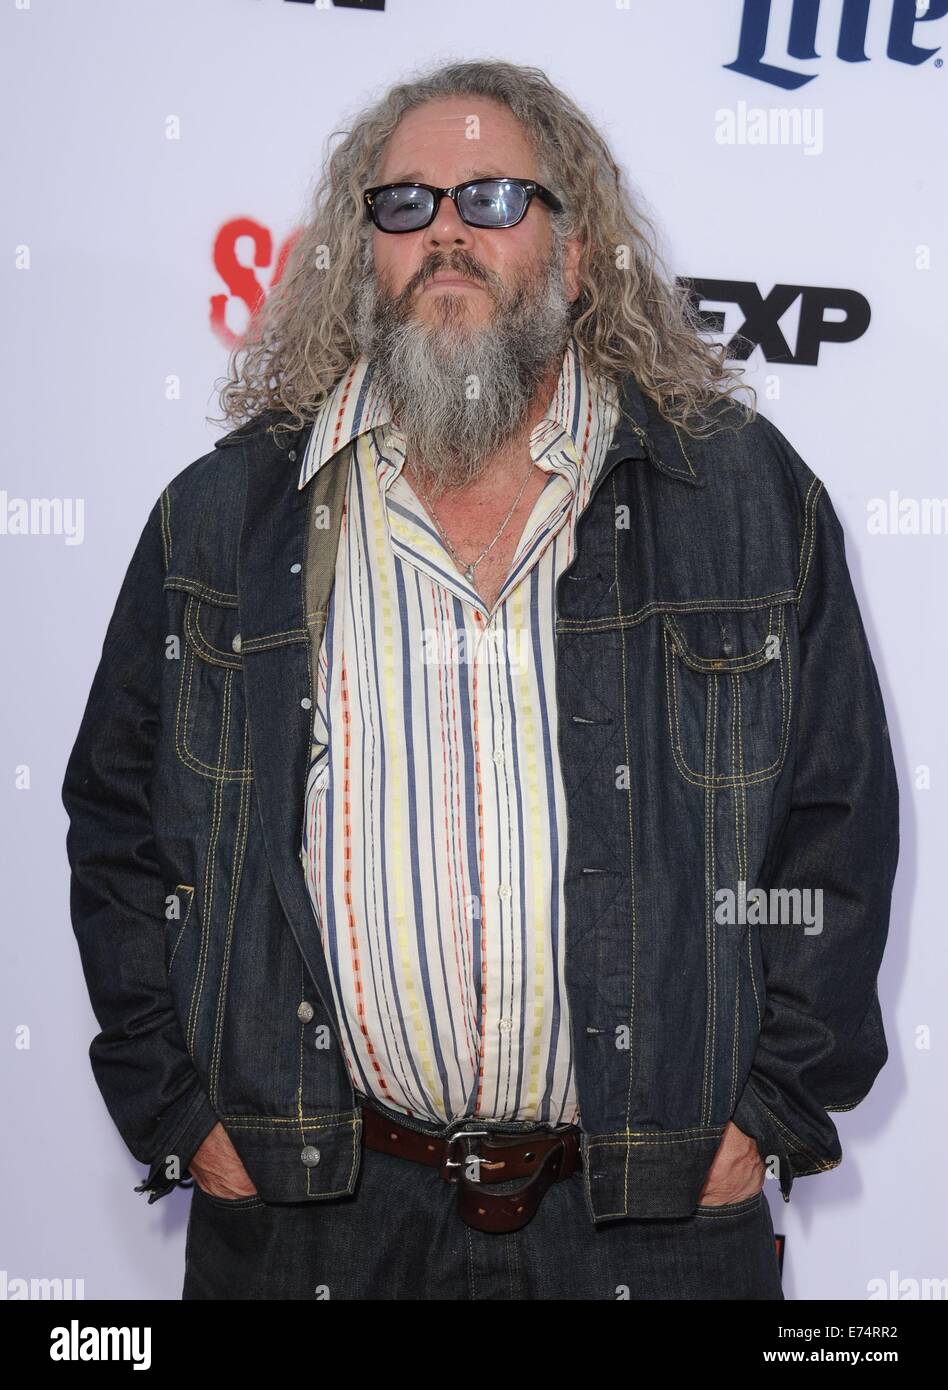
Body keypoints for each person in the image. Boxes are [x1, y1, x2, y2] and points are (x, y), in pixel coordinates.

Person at [62, 58, 899, 1301]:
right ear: (365, 257)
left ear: (573, 253)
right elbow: (121, 835)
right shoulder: (223, 519)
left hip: (650, 1219)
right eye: (405, 206)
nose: (446, 231)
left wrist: (775, 1103)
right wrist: (175, 1109)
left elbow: (833, 834)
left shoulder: (741, 500)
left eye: (494, 198)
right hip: (317, 1220)